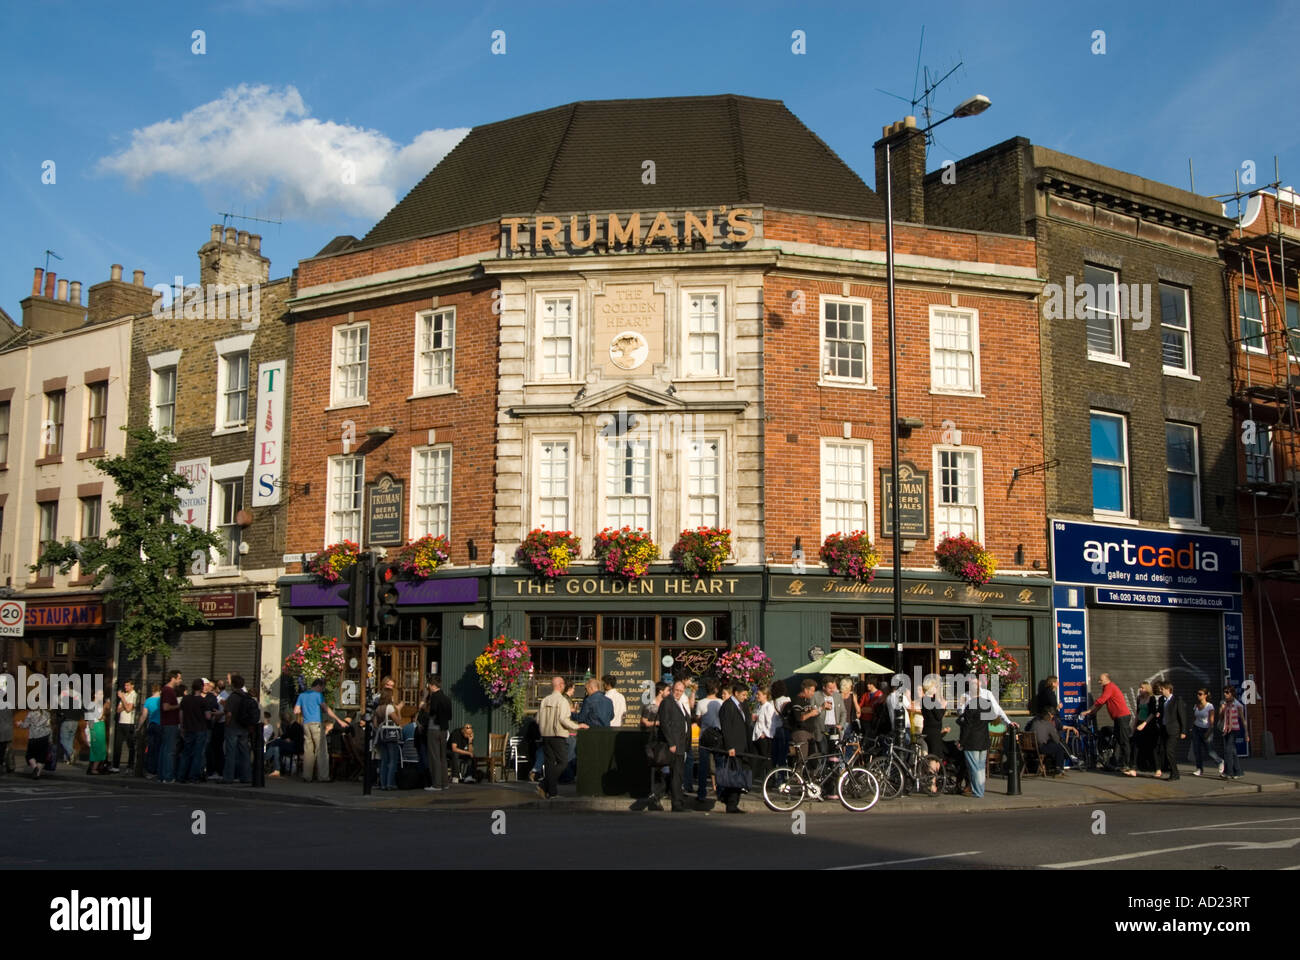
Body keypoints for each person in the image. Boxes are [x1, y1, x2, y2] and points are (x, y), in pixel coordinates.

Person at [1078, 671, 1135, 776]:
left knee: (1124, 741)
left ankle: (1129, 766)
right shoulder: (1106, 688)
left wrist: (1087, 711)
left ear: (1107, 679)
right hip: (1118, 718)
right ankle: (1115, 763)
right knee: (1118, 740)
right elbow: (1101, 704)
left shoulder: (1110, 687)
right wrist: (1092, 712)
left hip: (1122, 717)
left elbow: (1100, 701)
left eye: (1101, 679)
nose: (1099, 681)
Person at [537, 676, 584, 799]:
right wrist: (577, 726)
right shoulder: (562, 701)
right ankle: (544, 783)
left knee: (549, 763)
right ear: (561, 685)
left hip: (545, 735)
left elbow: (538, 719)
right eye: (563, 684)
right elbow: (564, 720)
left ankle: (552, 793)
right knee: (563, 762)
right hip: (558, 735)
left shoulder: (545, 700)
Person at [294, 678, 349, 783]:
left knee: (308, 750)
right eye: (322, 688)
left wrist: (305, 710)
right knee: (322, 750)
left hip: (306, 724)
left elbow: (296, 711)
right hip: (316, 724)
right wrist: (338, 720)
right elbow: (326, 709)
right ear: (319, 686)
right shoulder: (318, 695)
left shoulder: (302, 695)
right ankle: (323, 776)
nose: (322, 690)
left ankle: (307, 776)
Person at [956, 680, 994, 798]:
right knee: (981, 767)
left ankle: (978, 792)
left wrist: (961, 742)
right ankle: (980, 790)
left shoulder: (970, 705)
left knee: (974, 767)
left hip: (971, 741)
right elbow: (991, 718)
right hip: (983, 739)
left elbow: (967, 727)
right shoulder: (987, 703)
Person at [657, 680, 691, 811]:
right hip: (674, 745)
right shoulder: (667, 702)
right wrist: (671, 743)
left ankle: (678, 801)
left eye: (681, 691)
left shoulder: (679, 703)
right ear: (672, 689)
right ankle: (676, 803)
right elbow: (665, 723)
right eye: (677, 690)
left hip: (681, 744)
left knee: (679, 774)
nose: (678, 693)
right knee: (676, 775)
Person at [717, 681, 750, 813]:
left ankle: (730, 799)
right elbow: (726, 728)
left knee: (739, 774)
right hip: (733, 746)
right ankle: (731, 803)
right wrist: (729, 746)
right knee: (733, 775)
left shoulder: (742, 705)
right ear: (736, 693)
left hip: (742, 745)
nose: (745, 697)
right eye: (743, 695)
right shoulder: (728, 706)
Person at [221, 673, 255, 785]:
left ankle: (228, 777)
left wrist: (227, 724)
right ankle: (246, 776)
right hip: (244, 727)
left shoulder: (233, 697)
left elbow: (229, 714)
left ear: (233, 685)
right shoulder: (246, 696)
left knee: (230, 753)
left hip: (233, 727)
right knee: (244, 753)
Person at [693, 680, 724, 801]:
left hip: (704, 736)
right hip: (717, 735)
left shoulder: (700, 703)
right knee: (719, 765)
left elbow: (698, 719)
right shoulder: (721, 702)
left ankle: (701, 793)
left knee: (703, 766)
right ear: (716, 690)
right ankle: (720, 792)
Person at [178, 678, 214, 784]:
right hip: (200, 729)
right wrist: (214, 714)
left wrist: (182, 726)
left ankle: (181, 776)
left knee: (186, 753)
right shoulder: (203, 701)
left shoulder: (186, 699)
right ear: (201, 687)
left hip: (188, 728)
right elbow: (207, 716)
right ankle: (193, 776)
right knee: (197, 754)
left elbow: (181, 714)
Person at [423, 676, 453, 792]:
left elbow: (432, 712)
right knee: (442, 757)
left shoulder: (434, 697)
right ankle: (445, 782)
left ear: (431, 685)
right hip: (444, 729)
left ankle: (436, 784)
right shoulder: (447, 698)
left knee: (434, 756)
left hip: (434, 728)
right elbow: (450, 716)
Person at [1153, 680, 1188, 781]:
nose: (1161, 690)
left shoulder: (1177, 700)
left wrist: (1183, 731)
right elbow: (1160, 712)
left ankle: (1175, 773)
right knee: (1165, 751)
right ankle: (1173, 772)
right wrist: (1158, 715)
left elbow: (1182, 716)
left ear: (1168, 689)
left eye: (1162, 689)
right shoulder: (1162, 700)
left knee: (1169, 751)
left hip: (1174, 730)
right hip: (1164, 728)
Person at [372, 680, 403, 791]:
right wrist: (398, 710)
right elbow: (398, 721)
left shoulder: (378, 708)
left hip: (381, 736)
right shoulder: (389, 708)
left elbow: (375, 724)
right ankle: (390, 783)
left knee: (383, 761)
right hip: (390, 735)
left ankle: (383, 783)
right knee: (392, 760)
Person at [1190, 688, 1221, 777]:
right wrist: (1191, 727)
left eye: (1200, 694)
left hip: (1206, 729)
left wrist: (1209, 732)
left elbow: (1211, 721)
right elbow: (1194, 717)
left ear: (1205, 695)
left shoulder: (1209, 706)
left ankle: (1220, 761)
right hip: (1196, 729)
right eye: (1198, 694)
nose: (1198, 695)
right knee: (1197, 750)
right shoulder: (1196, 705)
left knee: (1209, 751)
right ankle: (1199, 769)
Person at [159, 670, 183, 783]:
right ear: (173, 678)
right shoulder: (168, 691)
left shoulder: (167, 690)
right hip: (170, 724)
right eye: (179, 678)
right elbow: (166, 707)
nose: (180, 680)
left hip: (167, 723)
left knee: (165, 750)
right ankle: (168, 776)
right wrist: (179, 705)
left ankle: (162, 775)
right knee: (169, 751)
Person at [1219, 685, 1247, 780]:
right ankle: (1238, 771)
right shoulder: (1224, 703)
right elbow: (1221, 717)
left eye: (1227, 692)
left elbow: (1243, 719)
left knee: (1228, 750)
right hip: (1225, 729)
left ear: (1232, 693)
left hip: (1234, 729)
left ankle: (1229, 772)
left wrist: (1246, 733)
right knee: (1233, 751)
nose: (1225, 694)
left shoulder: (1237, 705)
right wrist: (1221, 710)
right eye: (1224, 692)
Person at [788, 680, 821, 761]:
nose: (813, 693)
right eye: (812, 691)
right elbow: (799, 718)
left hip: (810, 734)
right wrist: (810, 713)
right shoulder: (797, 700)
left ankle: (810, 773)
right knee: (802, 760)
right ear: (806, 690)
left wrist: (820, 709)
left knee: (812, 761)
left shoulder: (807, 701)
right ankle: (798, 773)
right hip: (801, 734)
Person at [750, 685, 777, 783]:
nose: (757, 696)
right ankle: (754, 779)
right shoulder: (758, 706)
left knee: (766, 759)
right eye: (757, 694)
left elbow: (770, 723)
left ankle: (771, 780)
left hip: (764, 737)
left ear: (765, 695)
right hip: (757, 736)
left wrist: (765, 734)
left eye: (759, 694)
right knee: (756, 758)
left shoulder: (768, 707)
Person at [1032, 707, 1068, 775]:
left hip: (1029, 748)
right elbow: (1056, 739)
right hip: (1040, 748)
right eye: (1051, 716)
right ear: (1048, 716)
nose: (1052, 717)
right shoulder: (1048, 724)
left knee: (1051, 746)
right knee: (1059, 748)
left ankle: (1048, 766)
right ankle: (1059, 768)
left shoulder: (1035, 723)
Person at [20, 705, 52, 779]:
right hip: (44, 737)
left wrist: (20, 724)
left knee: (29, 755)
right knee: (41, 757)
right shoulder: (47, 713)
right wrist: (50, 738)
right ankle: (37, 774)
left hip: (33, 738)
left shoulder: (30, 714)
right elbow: (49, 727)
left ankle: (35, 768)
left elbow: (25, 725)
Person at [112, 680, 137, 773]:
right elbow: (118, 710)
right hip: (121, 722)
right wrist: (125, 703)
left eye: (127, 685)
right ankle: (115, 766)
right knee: (117, 744)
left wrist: (122, 698)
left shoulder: (134, 695)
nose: (125, 687)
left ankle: (130, 767)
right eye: (125, 685)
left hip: (129, 723)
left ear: (132, 686)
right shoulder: (125, 695)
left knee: (130, 745)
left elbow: (128, 709)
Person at [1133, 681, 1157, 772]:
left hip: (1147, 723)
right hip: (1139, 721)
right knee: (1136, 744)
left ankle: (1149, 765)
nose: (1140, 690)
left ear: (1147, 689)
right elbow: (1137, 711)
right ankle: (1134, 765)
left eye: (1142, 688)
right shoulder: (1139, 698)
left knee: (1147, 745)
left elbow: (1152, 713)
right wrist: (1134, 725)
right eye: (1140, 688)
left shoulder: (1151, 698)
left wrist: (1144, 723)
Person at [83, 689, 109, 775]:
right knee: (98, 749)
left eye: (102, 694)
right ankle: (93, 768)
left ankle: (97, 767)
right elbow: (99, 717)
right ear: (95, 695)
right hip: (96, 727)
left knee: (101, 748)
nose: (101, 696)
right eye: (99, 694)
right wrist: (105, 707)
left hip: (99, 727)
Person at [206, 677, 228, 779]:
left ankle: (217, 770)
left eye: (211, 686)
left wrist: (214, 720)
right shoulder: (216, 696)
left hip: (219, 725)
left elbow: (221, 712)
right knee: (215, 748)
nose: (209, 688)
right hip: (216, 725)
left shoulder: (220, 697)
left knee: (216, 749)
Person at [140, 683, 163, 778]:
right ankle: (157, 769)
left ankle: (150, 770)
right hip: (160, 725)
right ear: (160, 690)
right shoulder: (161, 700)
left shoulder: (148, 700)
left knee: (151, 748)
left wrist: (139, 726)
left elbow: (144, 715)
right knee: (159, 748)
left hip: (151, 725)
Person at [769, 679, 790, 771]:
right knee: (783, 753)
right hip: (784, 729)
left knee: (775, 754)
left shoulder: (772, 702)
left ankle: (774, 774)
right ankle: (782, 774)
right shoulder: (787, 699)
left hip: (775, 730)